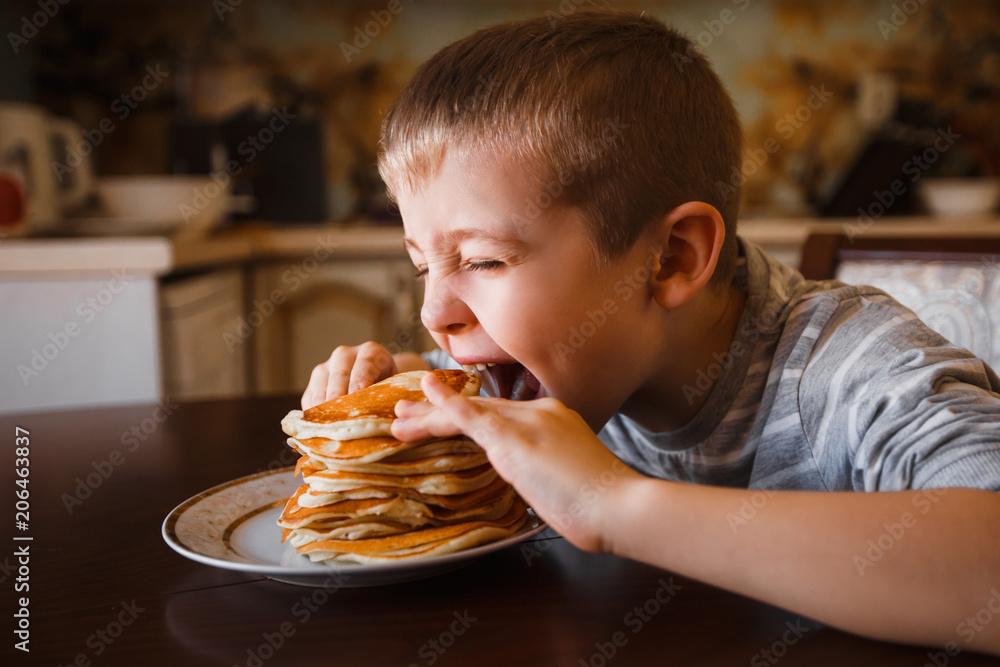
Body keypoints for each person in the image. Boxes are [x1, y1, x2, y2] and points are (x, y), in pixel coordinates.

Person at [302, 10, 1000, 654]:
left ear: (670, 258)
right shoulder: (553, 366)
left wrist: (613, 504)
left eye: (483, 259)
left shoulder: (848, 366)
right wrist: (389, 386)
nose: (434, 312)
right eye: (422, 265)